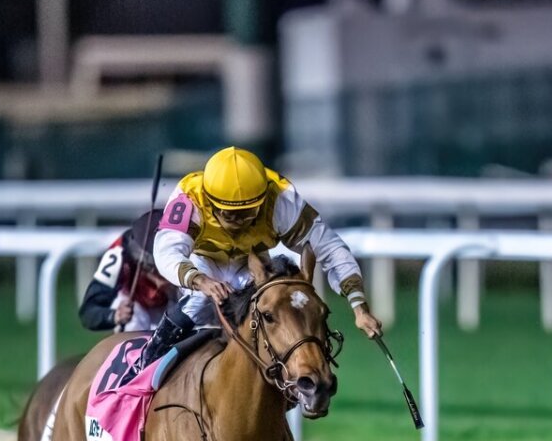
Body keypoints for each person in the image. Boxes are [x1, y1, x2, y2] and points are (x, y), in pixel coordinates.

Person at [136, 146, 381, 368]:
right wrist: (200, 280)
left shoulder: (281, 198)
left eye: (249, 212)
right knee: (198, 302)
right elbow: (167, 250)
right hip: (203, 263)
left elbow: (329, 246)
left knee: (277, 305)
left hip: (250, 263)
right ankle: (149, 360)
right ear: (210, 203)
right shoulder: (190, 196)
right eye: (230, 215)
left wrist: (359, 307)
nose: (240, 222)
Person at [79, 208, 175, 333]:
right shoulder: (119, 254)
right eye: (152, 270)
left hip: (174, 302)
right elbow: (88, 312)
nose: (160, 282)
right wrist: (115, 315)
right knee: (132, 322)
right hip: (139, 308)